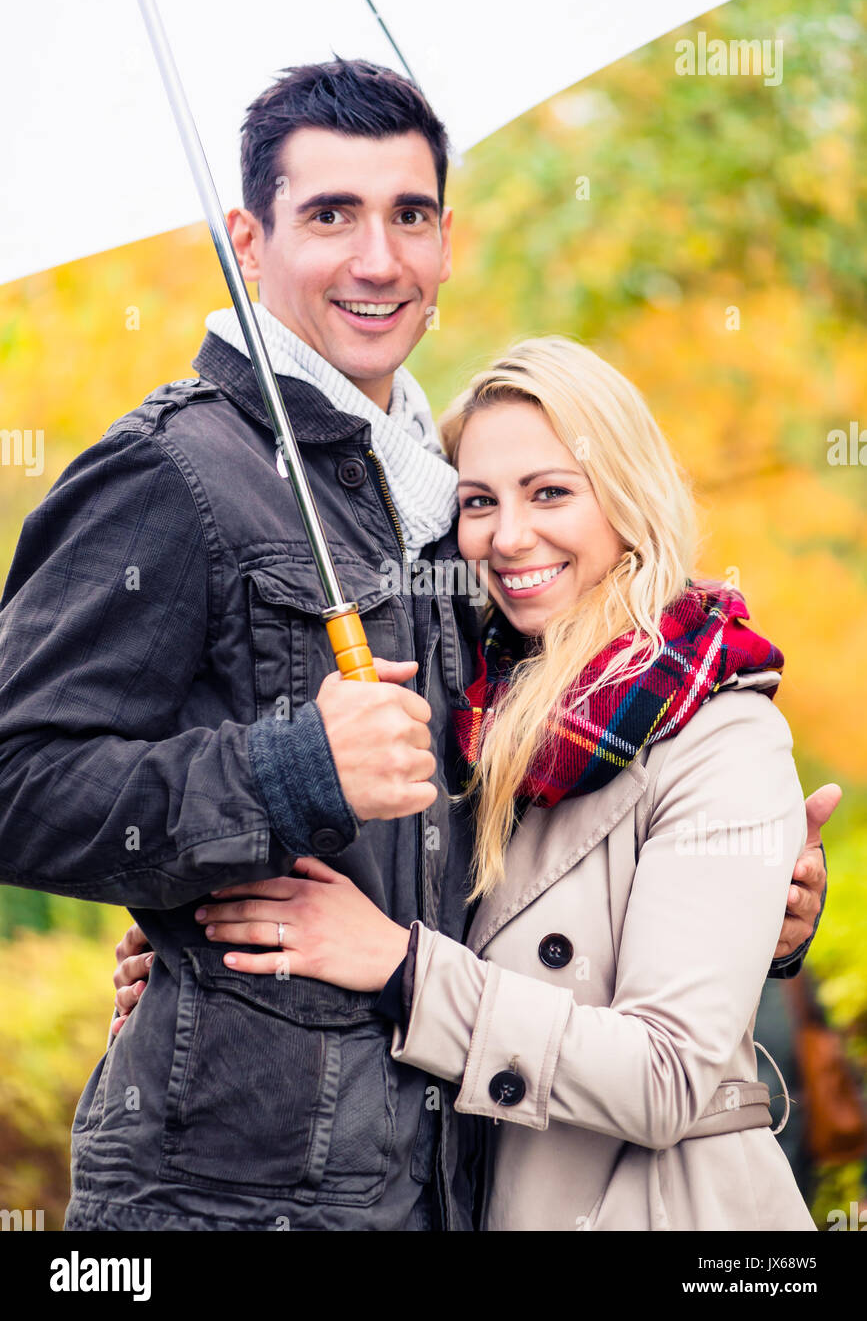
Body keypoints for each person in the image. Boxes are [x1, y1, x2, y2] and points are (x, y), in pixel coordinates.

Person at [0, 60, 827, 1233]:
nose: (378, 258)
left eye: (411, 214)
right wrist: (279, 777)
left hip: (428, 1182)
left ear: (447, 244)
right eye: (330, 213)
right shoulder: (172, 473)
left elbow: (479, 848)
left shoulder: (426, 507)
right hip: (226, 1198)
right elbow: (18, 781)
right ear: (248, 238)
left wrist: (738, 898)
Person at [184, 336, 832, 1230]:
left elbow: (669, 1074)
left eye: (551, 492)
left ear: (627, 498)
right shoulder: (476, 726)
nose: (509, 536)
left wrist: (403, 969)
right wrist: (196, 957)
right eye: (479, 502)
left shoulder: (722, 731)